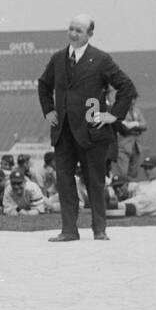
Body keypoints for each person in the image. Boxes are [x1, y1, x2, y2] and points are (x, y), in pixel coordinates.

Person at [37, 14, 137, 241]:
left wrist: (113, 116)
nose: (73, 34)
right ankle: (69, 230)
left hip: (93, 133)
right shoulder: (58, 58)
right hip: (63, 133)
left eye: (79, 31)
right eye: (71, 29)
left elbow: (126, 87)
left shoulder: (101, 59)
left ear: (89, 34)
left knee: (95, 182)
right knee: (64, 182)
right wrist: (49, 110)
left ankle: (99, 229)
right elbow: (43, 85)